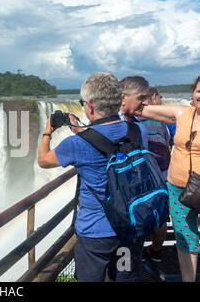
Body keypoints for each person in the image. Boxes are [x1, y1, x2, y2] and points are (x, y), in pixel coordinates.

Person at [37, 73, 148, 282]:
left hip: (94, 235)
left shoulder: (76, 145)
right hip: (131, 227)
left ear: (89, 106)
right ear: (118, 101)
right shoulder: (137, 131)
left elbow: (43, 160)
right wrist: (81, 129)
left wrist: (47, 131)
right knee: (124, 277)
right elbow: (111, 142)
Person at [134, 76, 200, 282]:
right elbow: (141, 110)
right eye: (199, 91)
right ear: (193, 92)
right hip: (178, 187)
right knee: (184, 236)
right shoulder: (182, 113)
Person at [120, 78, 171, 263]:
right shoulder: (160, 123)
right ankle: (155, 252)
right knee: (159, 215)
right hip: (161, 177)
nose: (147, 103)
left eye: (147, 98)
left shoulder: (131, 124)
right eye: (142, 98)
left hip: (140, 180)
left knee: (137, 217)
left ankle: (133, 260)